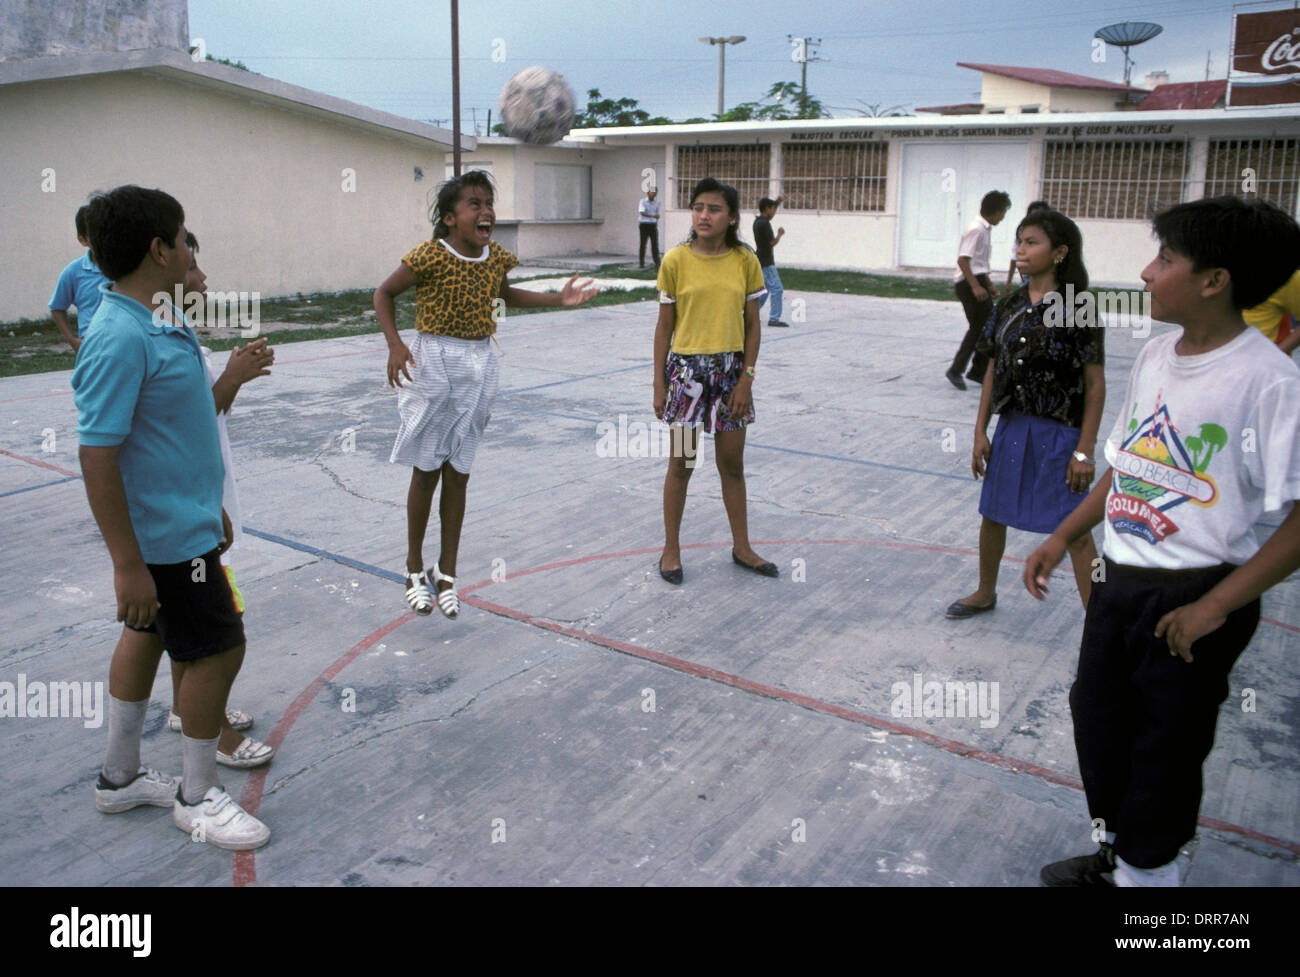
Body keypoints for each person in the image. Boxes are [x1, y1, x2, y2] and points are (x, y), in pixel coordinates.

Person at [1024, 196, 1300, 887]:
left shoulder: (1268, 379)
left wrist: (1215, 607)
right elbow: (1127, 462)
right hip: (1120, 581)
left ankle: (1152, 888)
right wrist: (1065, 533)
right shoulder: (1152, 356)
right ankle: (1117, 853)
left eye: (1166, 258)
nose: (1146, 272)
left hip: (1194, 596)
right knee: (1098, 721)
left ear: (1216, 280)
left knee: (1165, 755)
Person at [72, 186, 269, 850]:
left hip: (184, 522)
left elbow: (175, 429)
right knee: (220, 644)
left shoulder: (156, 317)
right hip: (161, 539)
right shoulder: (119, 334)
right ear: (158, 248)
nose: (190, 249)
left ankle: (121, 777)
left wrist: (208, 502)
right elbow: (97, 451)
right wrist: (128, 564)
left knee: (153, 639)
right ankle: (198, 796)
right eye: (183, 238)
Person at [375, 170, 598, 617]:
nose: (485, 211)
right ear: (450, 217)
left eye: (488, 203)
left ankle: (448, 572)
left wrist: (557, 299)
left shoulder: (494, 257)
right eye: (474, 203)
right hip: (434, 360)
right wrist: (396, 345)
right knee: (427, 469)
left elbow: (504, 295)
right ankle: (414, 567)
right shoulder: (430, 256)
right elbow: (383, 293)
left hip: (479, 362)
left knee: (460, 469)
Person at [947, 209, 1103, 619]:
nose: (1021, 249)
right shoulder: (1009, 304)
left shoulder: (1078, 306)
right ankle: (985, 591)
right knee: (993, 514)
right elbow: (992, 370)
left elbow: (1095, 384)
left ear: (1060, 253)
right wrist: (981, 431)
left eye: (1032, 242)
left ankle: (1099, 621)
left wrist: (1085, 450)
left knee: (1077, 532)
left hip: (1061, 434)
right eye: (1018, 241)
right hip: (1012, 427)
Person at [157, 231, 276, 769]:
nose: (202, 278)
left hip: (198, 501)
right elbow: (191, 422)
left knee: (184, 624)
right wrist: (233, 376)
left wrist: (232, 375)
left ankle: (190, 710)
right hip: (182, 512)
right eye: (193, 268)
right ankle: (211, 740)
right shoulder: (153, 338)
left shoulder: (178, 333)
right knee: (217, 634)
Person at [654, 176, 775, 584]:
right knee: (682, 464)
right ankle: (671, 550)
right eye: (699, 207)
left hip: (731, 375)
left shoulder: (745, 260)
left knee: (732, 465)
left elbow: (754, 326)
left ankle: (742, 547)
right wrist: (659, 385)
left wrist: (747, 380)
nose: (705, 216)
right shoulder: (675, 261)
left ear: (732, 217)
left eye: (715, 209)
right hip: (687, 376)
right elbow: (663, 328)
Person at [946, 190, 1011, 391]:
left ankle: (976, 371)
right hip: (967, 284)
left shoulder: (985, 229)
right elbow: (963, 260)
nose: (1003, 217)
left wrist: (988, 285)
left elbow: (979, 263)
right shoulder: (976, 229)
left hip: (976, 280)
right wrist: (975, 286)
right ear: (997, 211)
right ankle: (958, 370)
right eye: (1003, 212)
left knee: (987, 328)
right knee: (980, 329)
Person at [49, 205, 110, 353]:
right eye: (97, 235)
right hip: (91, 346)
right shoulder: (73, 272)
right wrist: (72, 340)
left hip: (126, 343)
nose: (105, 240)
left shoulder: (128, 266)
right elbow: (57, 308)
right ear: (83, 240)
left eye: (108, 233)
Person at [1242, 268, 1300, 355]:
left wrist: (1274, 355)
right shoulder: (1221, 274)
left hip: (1267, 364)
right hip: (1221, 362)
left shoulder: (1289, 276)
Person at [753, 195, 789, 328]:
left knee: (765, 290)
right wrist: (779, 234)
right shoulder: (764, 223)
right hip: (767, 262)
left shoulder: (758, 221)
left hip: (760, 260)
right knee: (777, 289)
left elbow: (771, 208)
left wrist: (778, 202)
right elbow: (771, 243)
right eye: (772, 209)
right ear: (766, 209)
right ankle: (774, 318)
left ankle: (749, 314)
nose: (774, 212)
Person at [1004, 200, 1051, 290]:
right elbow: (1014, 257)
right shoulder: (1022, 232)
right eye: (1033, 216)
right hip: (1028, 275)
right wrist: (1009, 281)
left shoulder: (1053, 232)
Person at [638, 187, 661, 268]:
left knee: (655, 244)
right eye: (651, 192)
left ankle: (657, 262)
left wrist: (657, 216)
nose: (653, 194)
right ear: (648, 192)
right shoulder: (643, 202)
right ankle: (641, 263)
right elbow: (642, 212)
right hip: (644, 224)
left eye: (654, 192)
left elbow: (657, 213)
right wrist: (652, 216)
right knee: (643, 244)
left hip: (653, 225)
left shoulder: (657, 203)